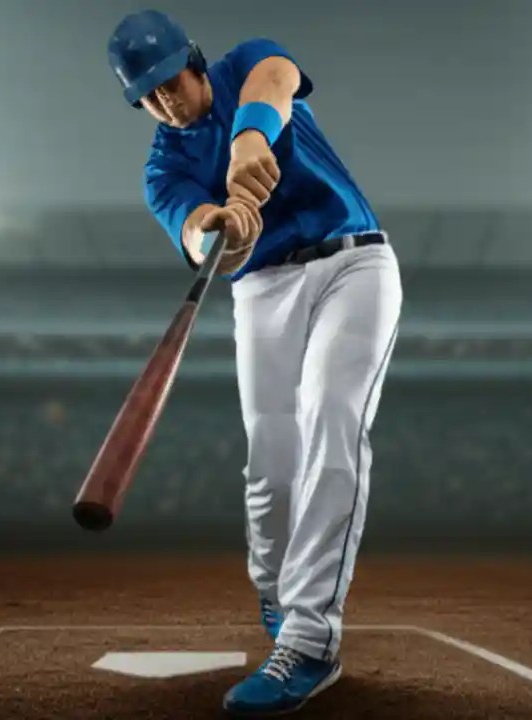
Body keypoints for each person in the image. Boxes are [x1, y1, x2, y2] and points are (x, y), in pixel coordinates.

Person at [108, 10, 402, 716]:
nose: (161, 102)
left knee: (332, 422)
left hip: (353, 262)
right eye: (143, 95)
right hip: (261, 287)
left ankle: (308, 640)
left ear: (194, 61)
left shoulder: (247, 64)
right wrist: (218, 229)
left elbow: (276, 81)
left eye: (167, 82)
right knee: (271, 458)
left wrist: (247, 141)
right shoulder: (162, 167)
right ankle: (274, 590)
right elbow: (194, 231)